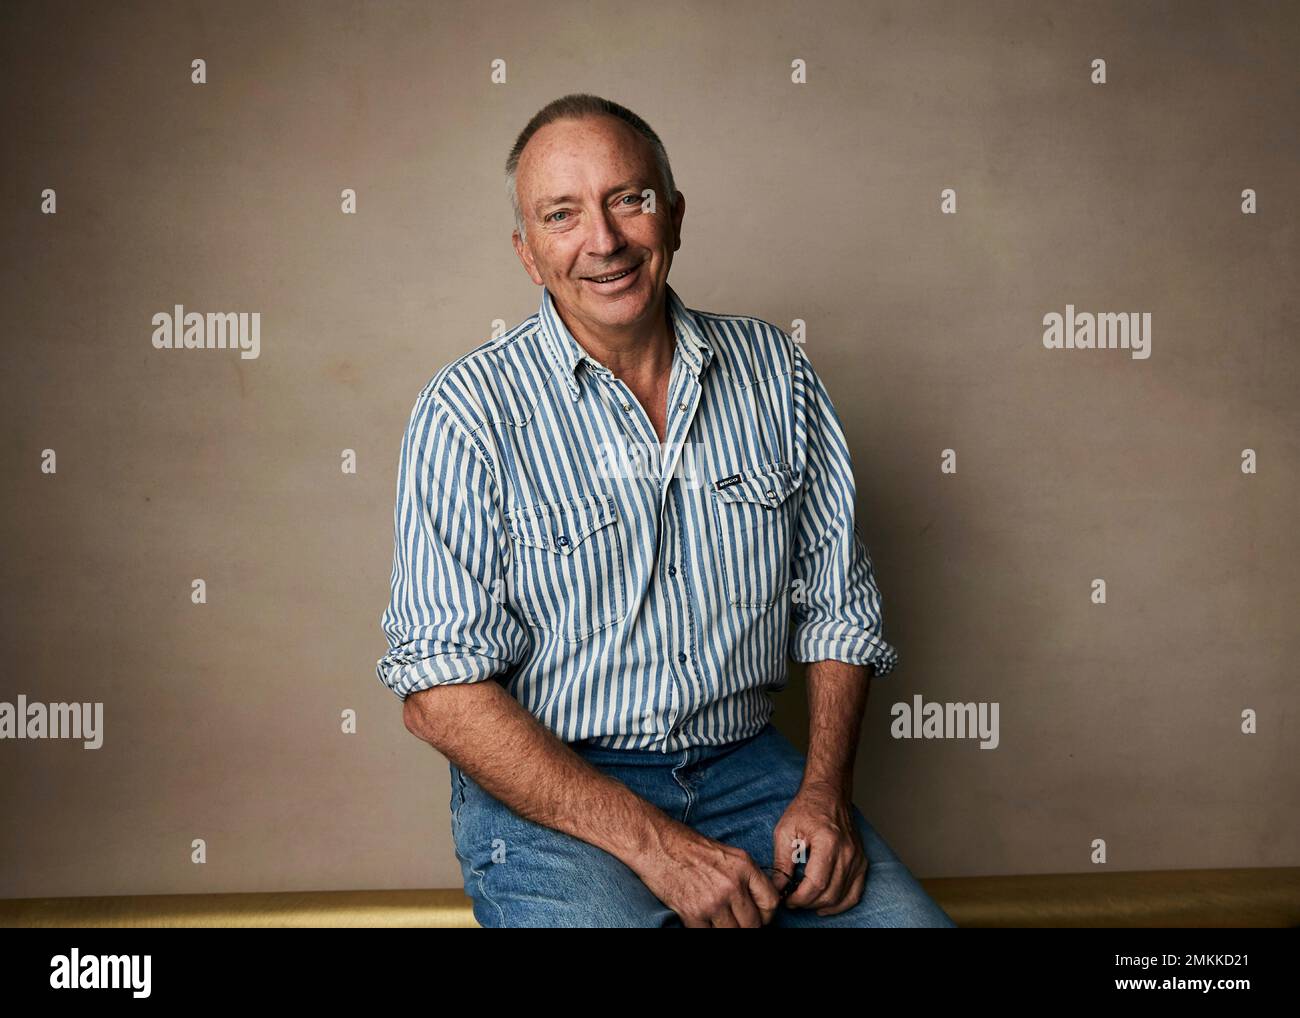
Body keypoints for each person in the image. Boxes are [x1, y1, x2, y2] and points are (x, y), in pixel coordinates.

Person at [376, 93, 956, 928]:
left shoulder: (774, 374)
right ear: (528, 255)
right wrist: (656, 847)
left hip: (749, 770)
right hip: (555, 798)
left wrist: (824, 794)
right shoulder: (468, 412)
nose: (603, 241)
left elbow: (838, 612)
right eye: (562, 215)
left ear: (674, 216)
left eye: (629, 199)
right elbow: (438, 690)